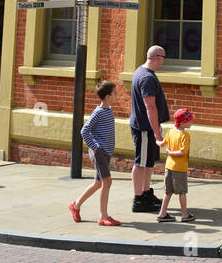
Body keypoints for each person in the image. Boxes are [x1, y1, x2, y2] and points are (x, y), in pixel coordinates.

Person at [70, 81, 121, 226]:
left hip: (105, 152)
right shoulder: (98, 112)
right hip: (99, 152)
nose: (117, 95)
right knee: (107, 182)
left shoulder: (108, 109)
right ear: (107, 96)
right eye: (115, 93)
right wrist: (95, 147)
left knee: (98, 183)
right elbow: (84, 131)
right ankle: (103, 217)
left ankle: (75, 205)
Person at [129, 45, 169, 213]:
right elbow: (150, 107)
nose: (163, 62)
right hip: (145, 128)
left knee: (148, 162)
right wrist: (157, 133)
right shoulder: (147, 78)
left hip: (145, 126)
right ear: (158, 58)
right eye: (164, 59)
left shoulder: (141, 71)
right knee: (141, 163)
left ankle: (145, 193)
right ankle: (138, 199)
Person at [157, 107, 195, 222]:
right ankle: (184, 215)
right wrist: (171, 152)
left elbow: (162, 143)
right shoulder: (185, 136)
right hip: (180, 168)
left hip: (169, 166)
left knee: (168, 192)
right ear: (183, 123)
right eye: (189, 120)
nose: (192, 122)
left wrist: (157, 140)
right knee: (182, 192)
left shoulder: (171, 132)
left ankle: (162, 213)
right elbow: (183, 152)